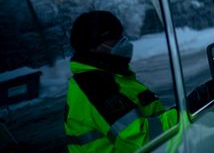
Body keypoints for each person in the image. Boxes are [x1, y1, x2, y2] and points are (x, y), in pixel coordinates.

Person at [64, 11, 177, 153]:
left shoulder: (112, 75)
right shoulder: (95, 86)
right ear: (94, 45)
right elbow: (144, 139)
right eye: (115, 38)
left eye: (121, 35)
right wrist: (187, 110)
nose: (123, 41)